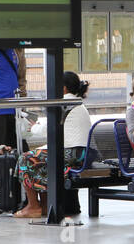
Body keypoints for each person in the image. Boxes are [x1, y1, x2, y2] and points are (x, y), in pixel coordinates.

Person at [14, 71, 93, 220]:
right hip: (82, 153)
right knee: (40, 160)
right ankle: (44, 205)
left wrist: (34, 126)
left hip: (70, 153)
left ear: (62, 88)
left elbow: (47, 129)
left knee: (25, 159)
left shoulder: (63, 102)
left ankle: (33, 206)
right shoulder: (77, 103)